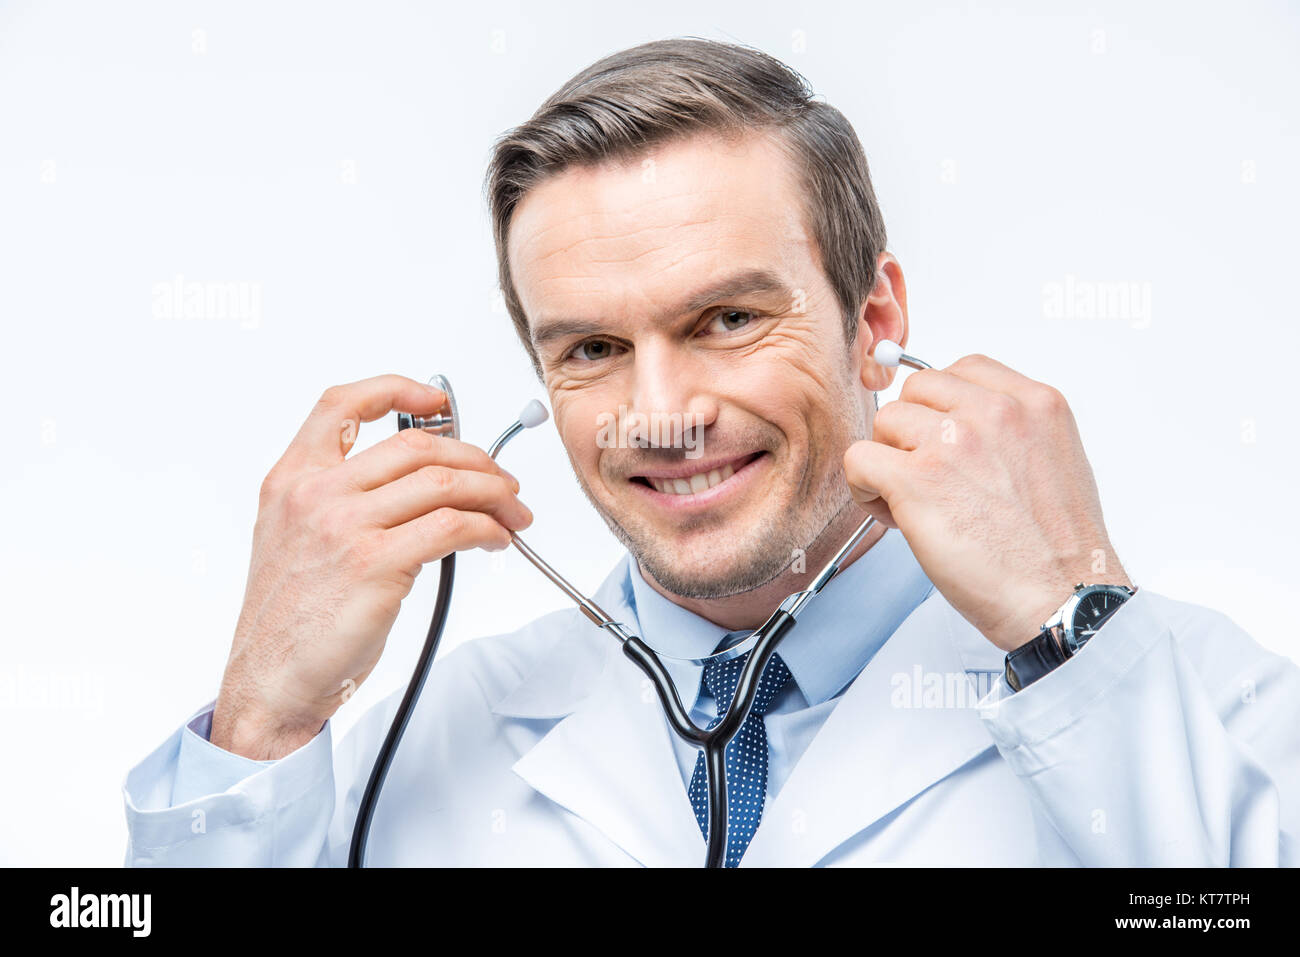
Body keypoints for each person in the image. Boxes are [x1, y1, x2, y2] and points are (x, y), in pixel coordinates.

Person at [122, 37, 1299, 867]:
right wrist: (264, 717)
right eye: (588, 346)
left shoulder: (1196, 703)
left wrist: (1066, 629)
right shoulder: (411, 753)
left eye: (727, 320)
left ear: (875, 317)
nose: (660, 412)